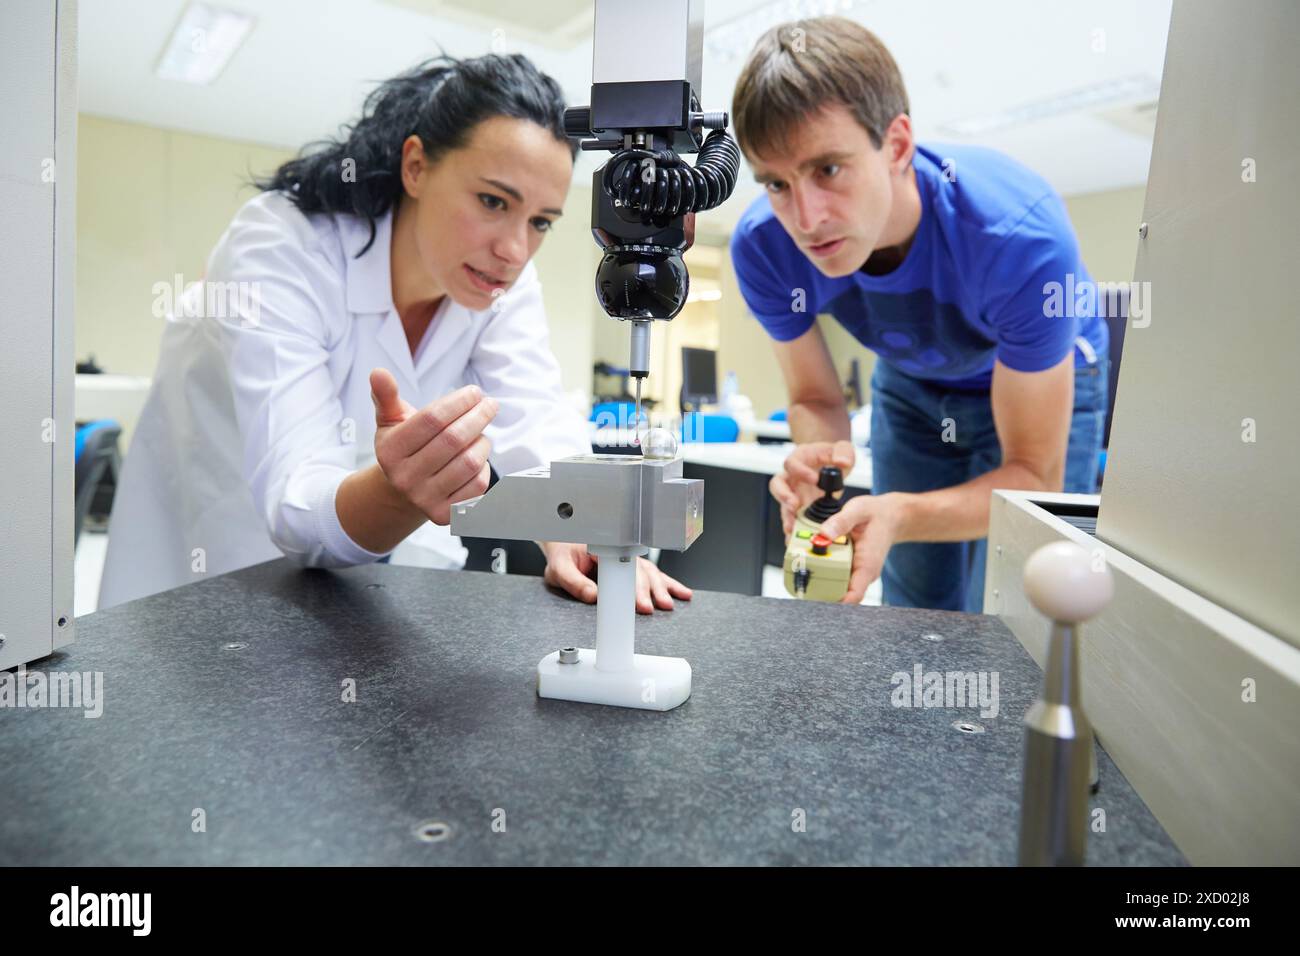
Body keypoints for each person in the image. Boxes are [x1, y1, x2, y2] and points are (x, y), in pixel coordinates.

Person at [98, 54, 691, 615]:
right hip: (221, 543)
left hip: (374, 575)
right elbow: (296, 504)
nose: (514, 249)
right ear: (416, 166)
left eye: (540, 222)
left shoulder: (499, 280)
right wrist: (399, 491)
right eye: (492, 201)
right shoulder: (281, 247)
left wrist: (582, 530)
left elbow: (532, 417)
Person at [729, 17, 1108, 612]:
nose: (805, 218)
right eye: (776, 183)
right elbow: (815, 399)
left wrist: (903, 510)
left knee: (1020, 600)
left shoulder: (1019, 240)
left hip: (1044, 375)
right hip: (912, 378)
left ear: (898, 146)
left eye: (827, 169)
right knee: (910, 598)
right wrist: (818, 464)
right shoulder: (763, 248)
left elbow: (1032, 475)